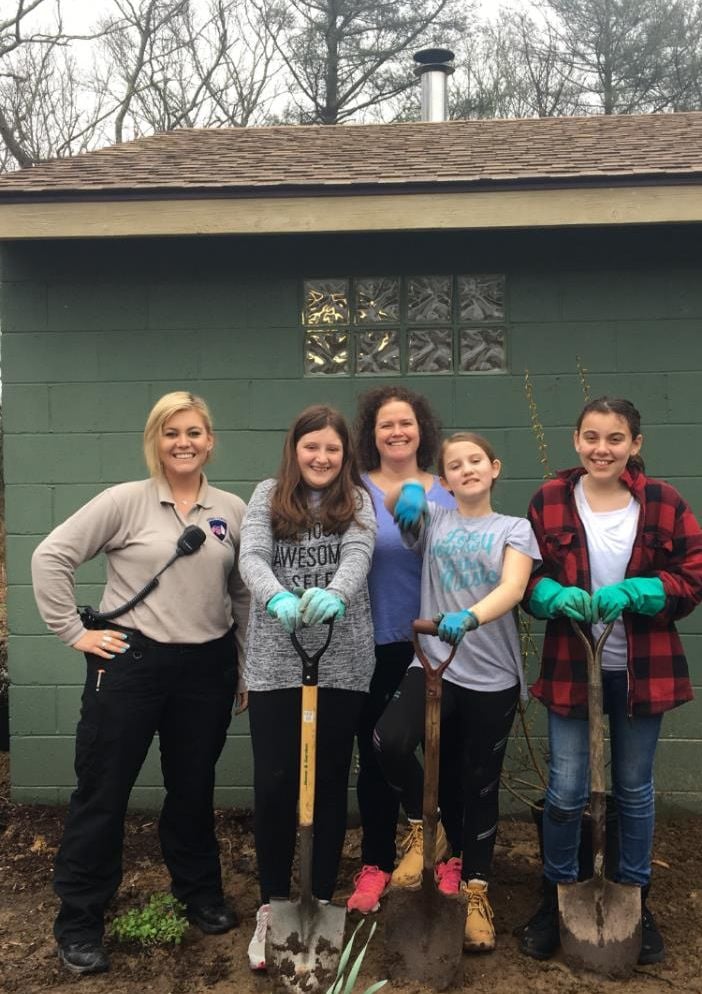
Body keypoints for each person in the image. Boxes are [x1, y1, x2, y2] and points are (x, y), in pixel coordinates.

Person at [30, 391, 250, 976]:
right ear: (156, 441)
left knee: (193, 787)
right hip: (131, 663)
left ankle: (199, 892)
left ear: (210, 441)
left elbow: (243, 595)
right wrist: (74, 632)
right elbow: (51, 557)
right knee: (103, 790)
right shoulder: (124, 501)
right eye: (171, 432)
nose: (184, 442)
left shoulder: (231, 510)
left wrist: (244, 666)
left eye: (194, 432)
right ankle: (80, 919)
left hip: (206, 667)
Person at [518, 397, 702, 966]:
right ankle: (558, 896)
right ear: (576, 440)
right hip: (573, 666)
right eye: (592, 437)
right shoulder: (549, 500)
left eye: (615, 438)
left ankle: (633, 897)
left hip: (643, 668)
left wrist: (645, 591)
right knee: (567, 790)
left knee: (634, 789)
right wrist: (548, 594)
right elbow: (525, 576)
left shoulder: (664, 502)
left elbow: (693, 575)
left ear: (635, 445)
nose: (603, 449)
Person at [374, 432, 541, 952]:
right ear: (444, 481)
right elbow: (393, 503)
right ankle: (426, 825)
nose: (467, 469)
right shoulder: (436, 521)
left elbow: (513, 587)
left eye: (476, 461)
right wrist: (406, 495)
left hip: (492, 674)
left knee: (479, 785)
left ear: (494, 468)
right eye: (455, 465)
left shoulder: (514, 528)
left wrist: (469, 616)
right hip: (432, 666)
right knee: (388, 741)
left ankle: (475, 891)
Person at [239, 404, 376, 972]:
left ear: (345, 455)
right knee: (275, 783)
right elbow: (251, 556)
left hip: (342, 660)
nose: (321, 457)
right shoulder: (267, 495)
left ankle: (317, 899)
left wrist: (337, 594)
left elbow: (359, 555)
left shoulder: (358, 500)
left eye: (332, 449)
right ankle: (273, 905)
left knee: (327, 783)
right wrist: (275, 596)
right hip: (276, 660)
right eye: (311, 446)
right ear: (294, 449)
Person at [347, 385, 459, 916]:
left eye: (406, 423)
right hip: (372, 641)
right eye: (386, 424)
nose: (397, 432)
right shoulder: (354, 491)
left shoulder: (450, 489)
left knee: (443, 752)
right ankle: (376, 862)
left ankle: (447, 857)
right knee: (375, 754)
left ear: (422, 430)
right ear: (372, 434)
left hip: (439, 646)